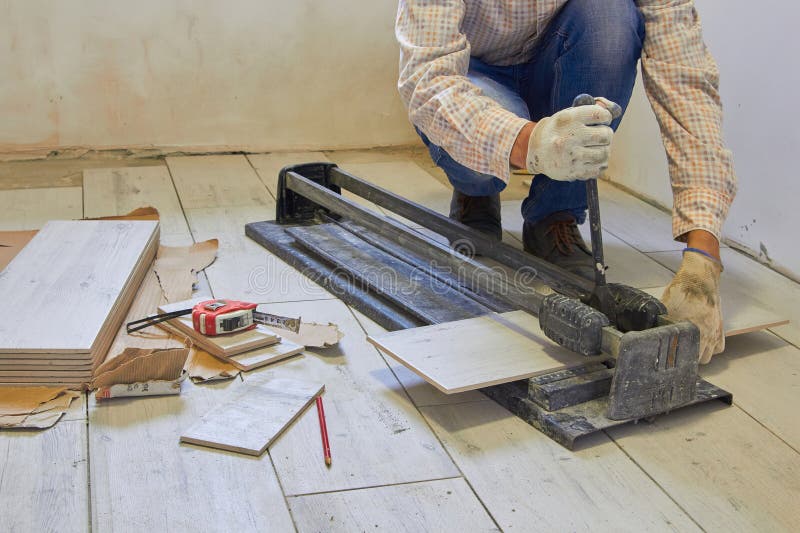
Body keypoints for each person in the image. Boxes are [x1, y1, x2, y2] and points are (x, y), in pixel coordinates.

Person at [395, 0, 737, 363]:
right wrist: (531, 142)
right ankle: (477, 189)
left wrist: (704, 255)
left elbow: (684, 78)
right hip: (472, 73)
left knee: (613, 18)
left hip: (554, 62)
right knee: (478, 162)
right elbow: (427, 79)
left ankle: (554, 213)